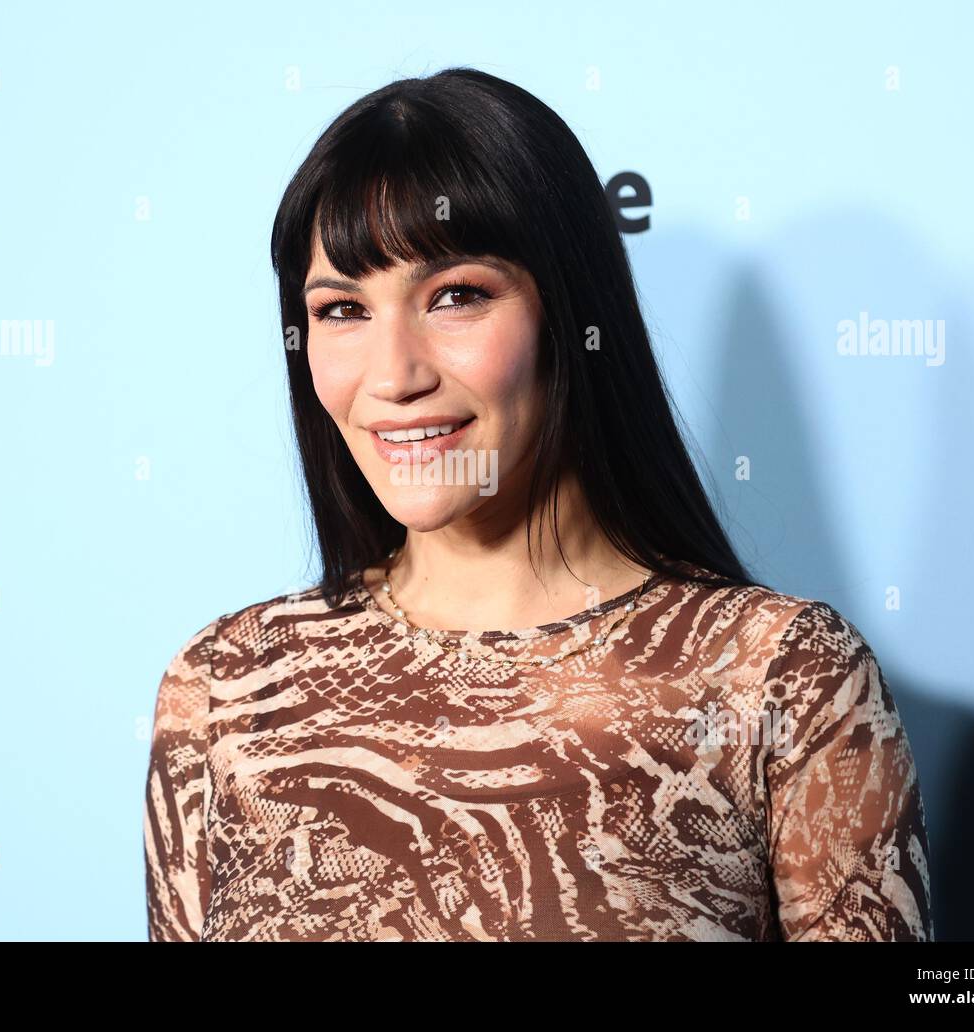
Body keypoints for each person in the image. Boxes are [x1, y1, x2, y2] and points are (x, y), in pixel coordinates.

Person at [143, 66, 933, 942]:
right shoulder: (227, 689)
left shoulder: (780, 678)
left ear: (570, 314)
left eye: (457, 297)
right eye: (341, 311)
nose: (394, 375)